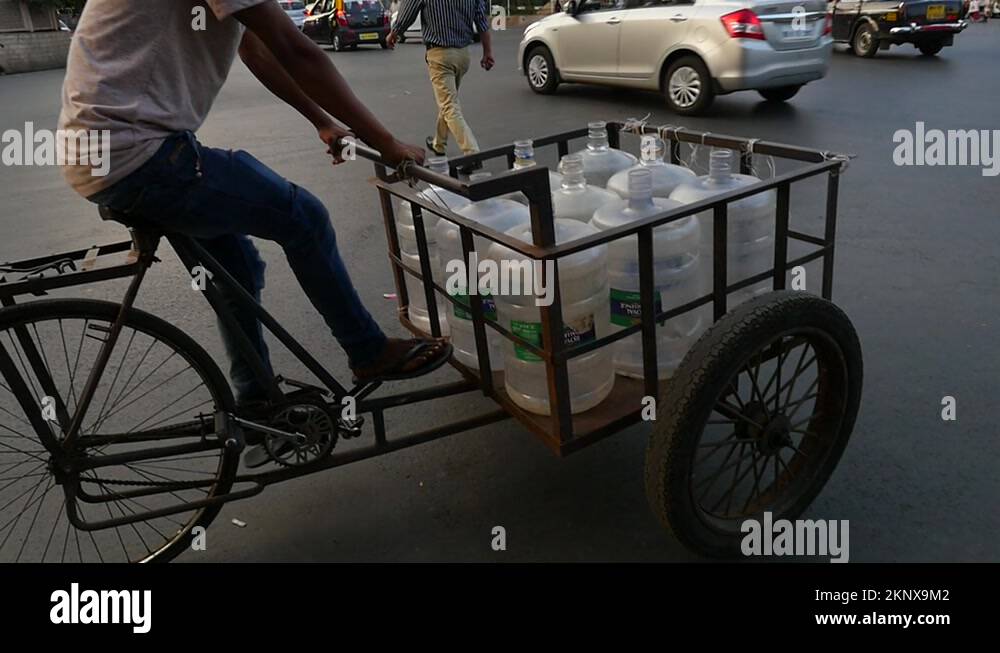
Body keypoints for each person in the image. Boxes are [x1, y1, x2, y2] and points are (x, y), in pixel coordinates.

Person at [58, 0, 451, 410]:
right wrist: (387, 145)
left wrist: (320, 120)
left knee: (237, 270)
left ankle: (258, 403)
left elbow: (258, 49)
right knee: (304, 217)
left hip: (109, 154)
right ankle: (368, 352)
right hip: (140, 155)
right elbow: (294, 49)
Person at [387, 0, 493, 172]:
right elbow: (481, 21)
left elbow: (407, 13)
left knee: (449, 106)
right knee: (448, 101)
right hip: (463, 55)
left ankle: (472, 153)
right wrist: (487, 52)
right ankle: (439, 143)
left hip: (440, 55)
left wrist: (394, 33)